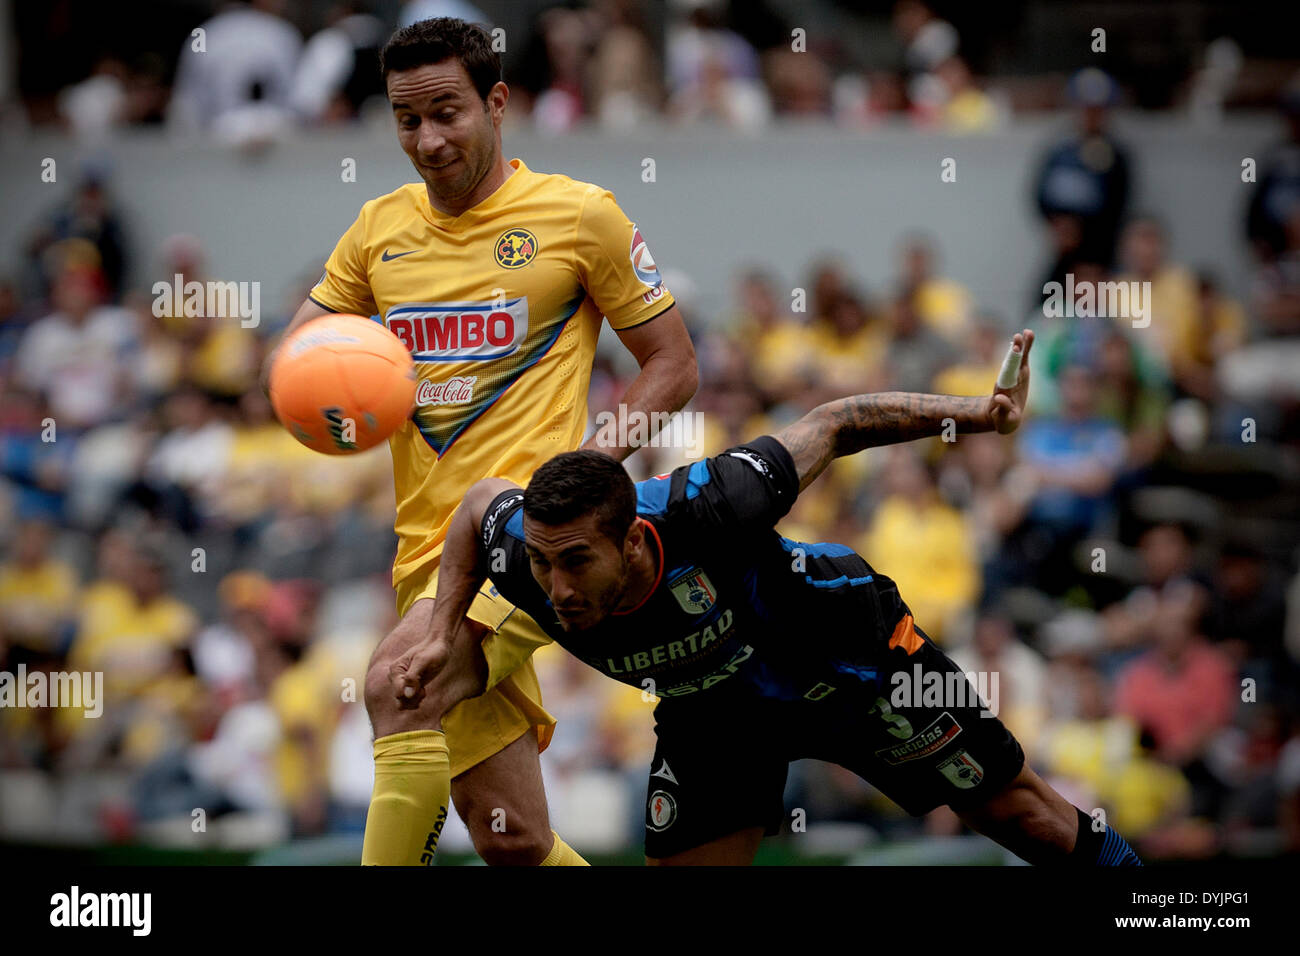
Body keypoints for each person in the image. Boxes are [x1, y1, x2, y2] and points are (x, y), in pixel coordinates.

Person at [401, 330, 1143, 865]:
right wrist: (439, 634)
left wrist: (981, 415)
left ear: (632, 542)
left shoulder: (716, 502)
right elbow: (476, 504)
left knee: (1026, 821)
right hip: (718, 715)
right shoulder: (526, 559)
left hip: (851, 658)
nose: (556, 590)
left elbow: (839, 422)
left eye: (575, 563)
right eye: (542, 563)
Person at [264, 17, 697, 865]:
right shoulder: (376, 232)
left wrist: (582, 476)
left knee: (399, 684)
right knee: (514, 840)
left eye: (447, 112)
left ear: (497, 103)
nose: (427, 140)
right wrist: (322, 390)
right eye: (406, 119)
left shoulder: (578, 217)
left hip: (518, 540)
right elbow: (298, 362)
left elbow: (673, 366)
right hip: (422, 553)